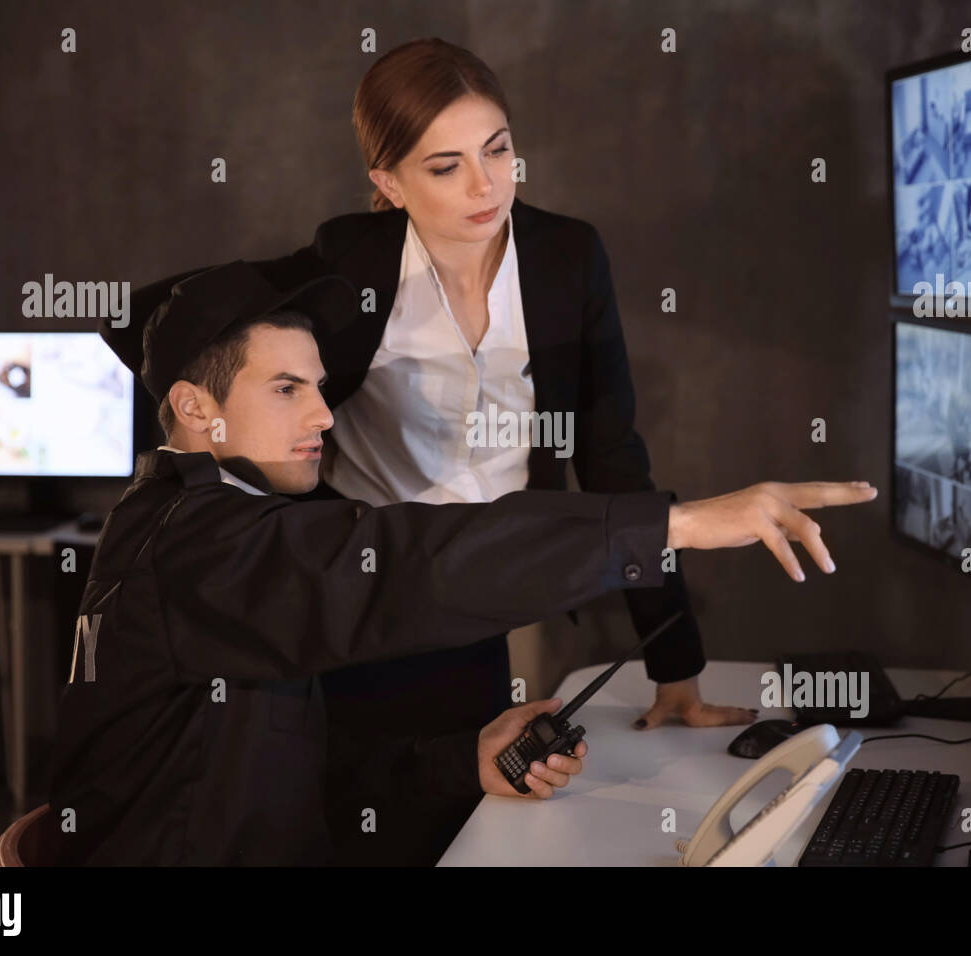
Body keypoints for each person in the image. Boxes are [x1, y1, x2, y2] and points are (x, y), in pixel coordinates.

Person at [126, 38, 776, 864]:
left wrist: (675, 664)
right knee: (362, 811)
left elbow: (612, 455)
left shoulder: (567, 257)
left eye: (498, 150)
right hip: (362, 584)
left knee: (477, 813)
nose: (486, 184)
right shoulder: (350, 259)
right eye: (444, 166)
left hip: (487, 587)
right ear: (388, 183)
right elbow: (192, 334)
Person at [55, 259, 878, 865]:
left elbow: (278, 768)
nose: (322, 415)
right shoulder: (199, 544)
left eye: (318, 386)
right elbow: (413, 560)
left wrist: (463, 761)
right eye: (285, 390)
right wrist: (677, 525)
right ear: (196, 407)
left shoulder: (205, 525)